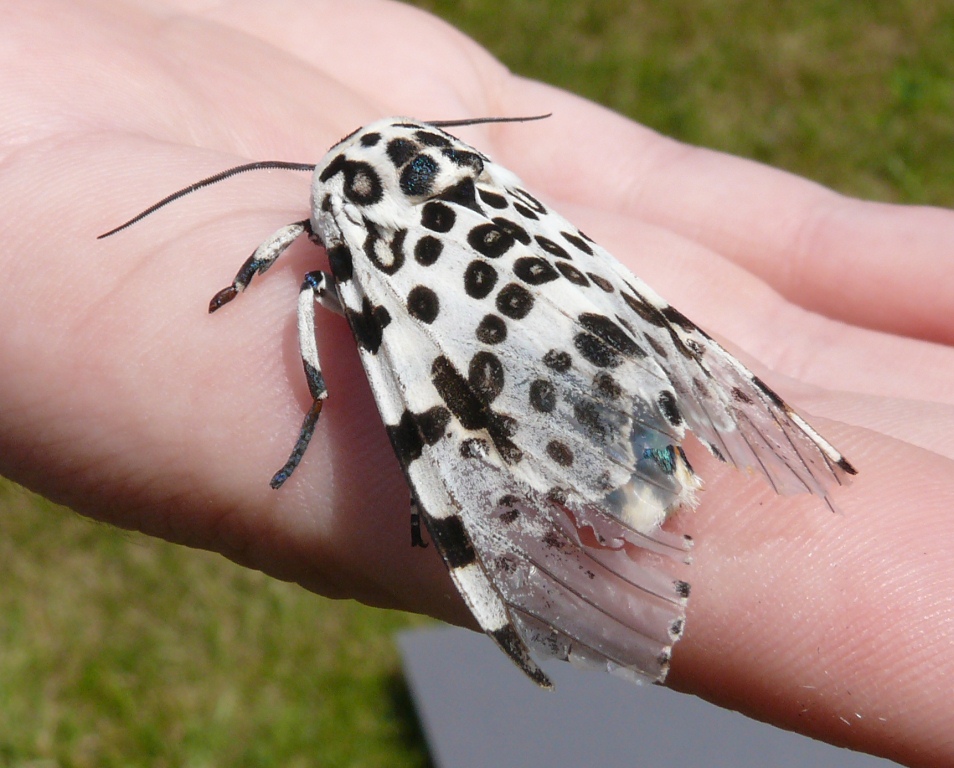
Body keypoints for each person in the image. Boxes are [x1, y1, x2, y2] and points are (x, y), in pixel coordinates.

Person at [2, 2, 951, 765]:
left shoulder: (336, 248)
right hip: (602, 375)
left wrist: (296, 345)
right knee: (615, 299)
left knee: (421, 386)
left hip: (565, 431)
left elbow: (315, 297)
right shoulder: (487, 183)